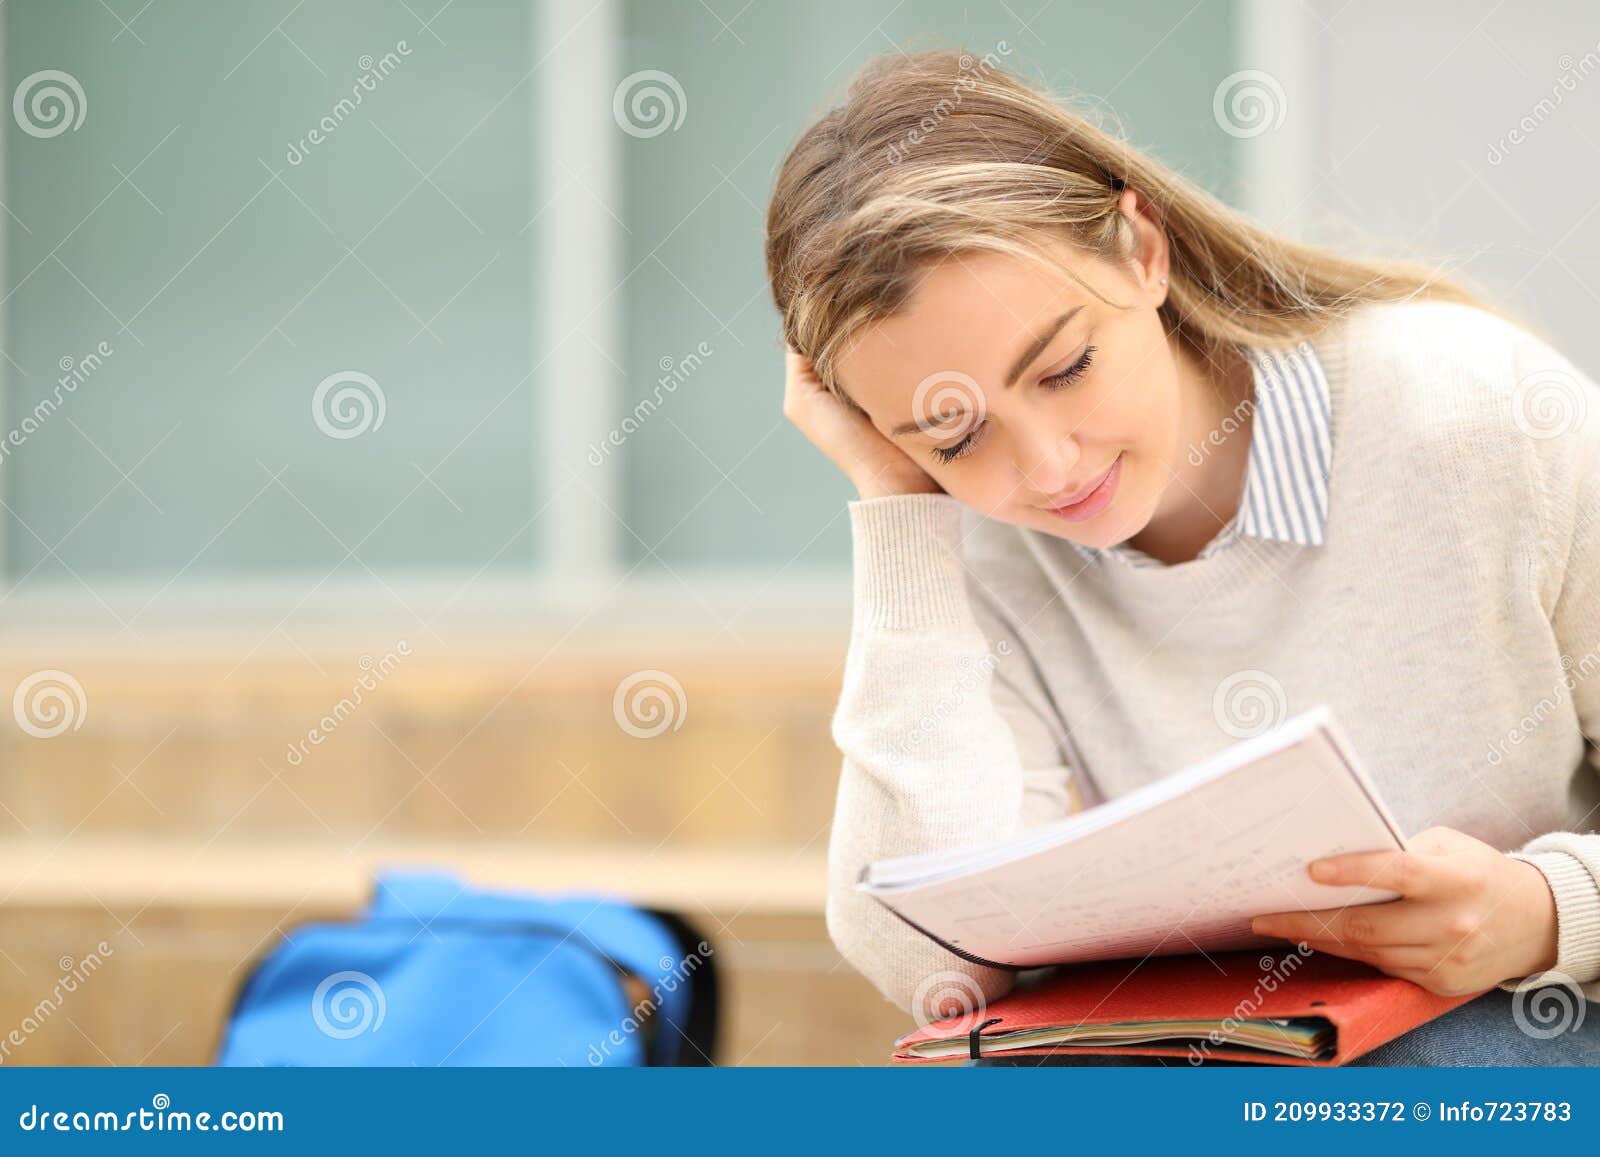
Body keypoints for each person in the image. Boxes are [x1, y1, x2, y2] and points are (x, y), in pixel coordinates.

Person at [764, 50, 1600, 1065]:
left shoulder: (1474, 417)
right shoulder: (967, 547)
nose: (1047, 467)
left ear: (1139, 249)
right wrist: (901, 519)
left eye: (1064, 367)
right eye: (952, 435)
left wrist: (1547, 909)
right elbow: (929, 970)